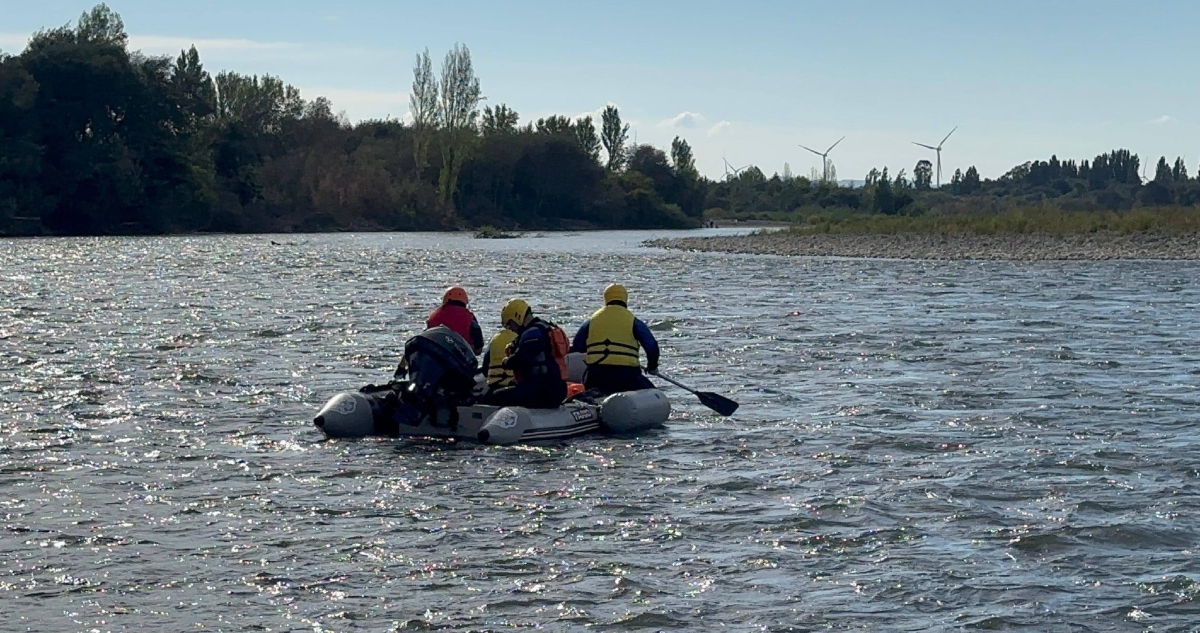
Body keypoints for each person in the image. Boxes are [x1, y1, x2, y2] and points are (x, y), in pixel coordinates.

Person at [571, 283, 659, 395]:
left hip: (596, 374)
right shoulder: (633, 320)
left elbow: (578, 345)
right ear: (625, 299)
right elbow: (651, 347)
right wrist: (652, 367)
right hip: (627, 375)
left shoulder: (592, 320)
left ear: (606, 298)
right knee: (654, 394)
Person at [482, 299, 569, 409]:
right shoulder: (546, 328)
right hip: (557, 388)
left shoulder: (532, 334)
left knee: (494, 397)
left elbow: (519, 360)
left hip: (542, 390)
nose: (511, 329)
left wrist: (505, 361)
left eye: (510, 324)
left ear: (516, 317)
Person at [425, 286, 484, 355]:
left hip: (435, 354)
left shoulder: (433, 315)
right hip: (460, 356)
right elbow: (478, 349)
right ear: (464, 301)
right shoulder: (469, 317)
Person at [479, 327, 517, 394]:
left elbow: (485, 370)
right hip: (513, 385)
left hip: (494, 385)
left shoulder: (496, 338)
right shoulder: (522, 337)